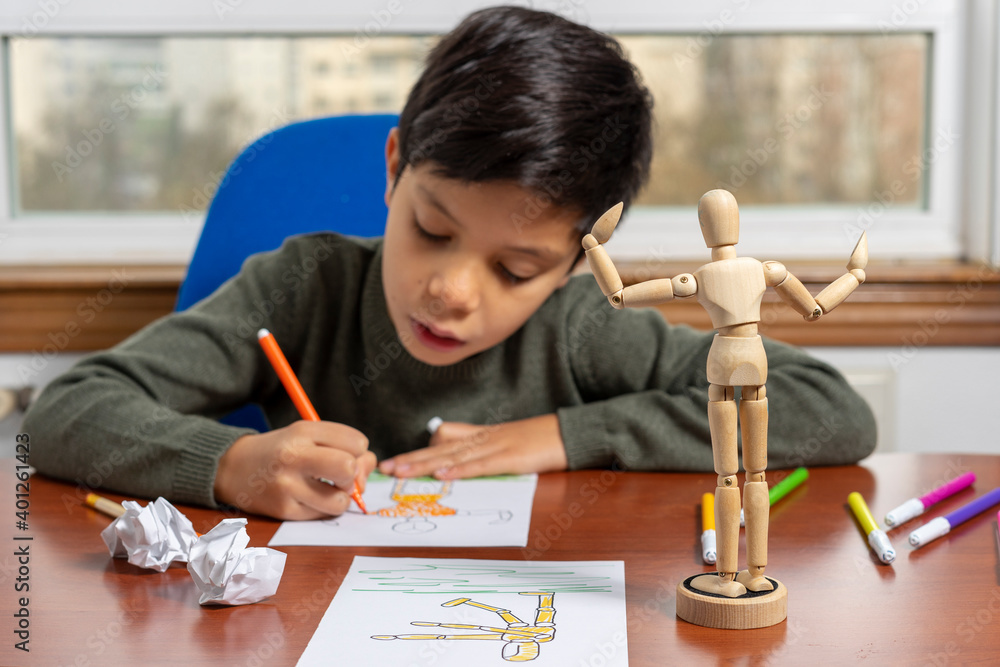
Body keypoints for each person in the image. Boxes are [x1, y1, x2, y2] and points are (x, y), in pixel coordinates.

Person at [23, 6, 877, 521]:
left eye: (514, 269)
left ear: (580, 261)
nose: (450, 290)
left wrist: (570, 435)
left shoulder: (576, 333)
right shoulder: (302, 286)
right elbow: (64, 413)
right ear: (394, 168)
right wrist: (228, 463)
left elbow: (829, 410)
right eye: (432, 228)